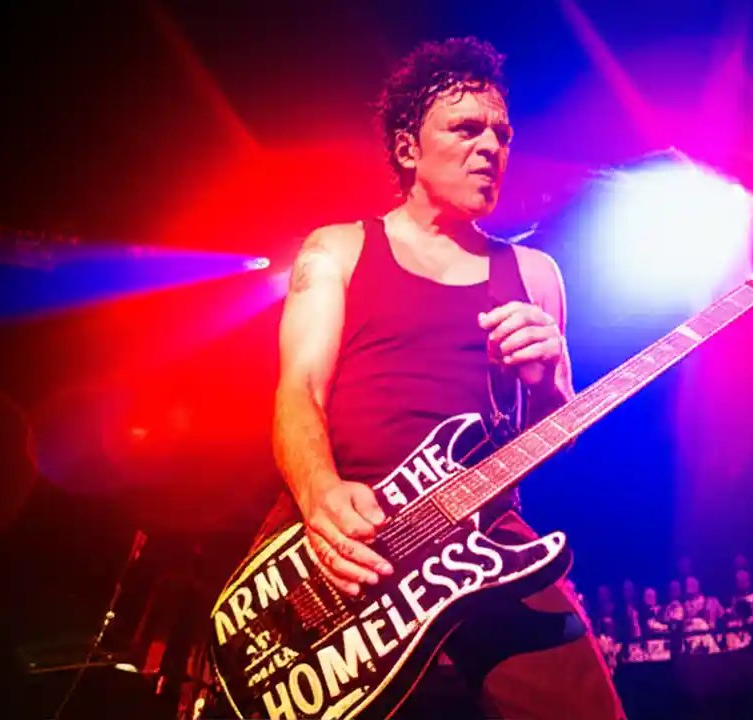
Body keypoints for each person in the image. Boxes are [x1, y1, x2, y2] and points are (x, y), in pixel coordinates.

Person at [254, 36, 624, 719]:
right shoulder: (337, 247)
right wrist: (320, 495)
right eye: (466, 128)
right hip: (345, 533)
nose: (491, 147)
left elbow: (557, 432)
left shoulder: (536, 274)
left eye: (502, 134)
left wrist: (545, 385)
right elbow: (297, 391)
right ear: (406, 149)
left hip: (483, 539)